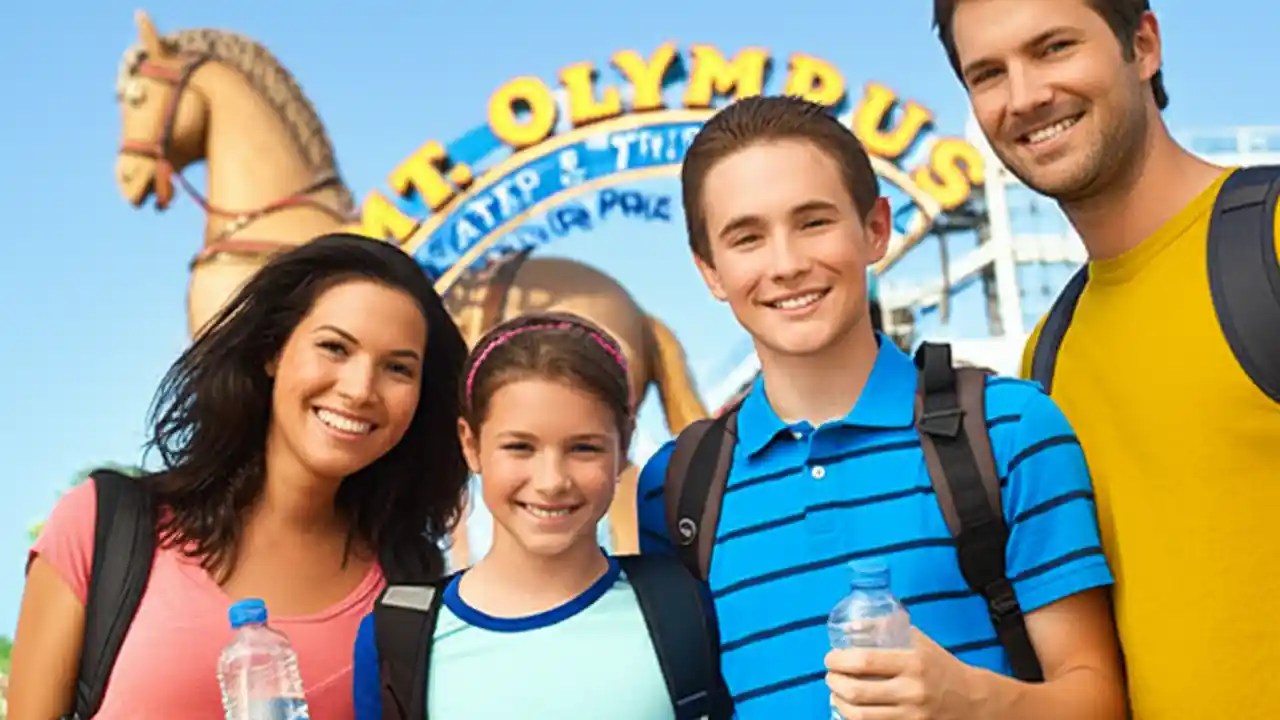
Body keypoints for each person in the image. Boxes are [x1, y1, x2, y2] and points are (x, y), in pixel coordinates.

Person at [635, 95, 1127, 719]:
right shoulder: (675, 490)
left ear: (874, 230)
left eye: (814, 222)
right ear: (709, 270)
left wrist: (969, 701)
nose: (786, 265)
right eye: (747, 237)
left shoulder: (1010, 430)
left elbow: (1100, 701)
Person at [934, 1, 1280, 717]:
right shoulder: (1049, 354)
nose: (1025, 95)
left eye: (1055, 47)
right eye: (988, 73)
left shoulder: (1270, 239)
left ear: (1143, 45)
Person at [8, 233, 471, 720]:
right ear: (273, 353)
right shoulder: (105, 527)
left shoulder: (411, 597)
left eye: (397, 368)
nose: (359, 390)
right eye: (335, 348)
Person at [352, 312, 721, 720]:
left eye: (584, 448)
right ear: (470, 444)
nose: (551, 482)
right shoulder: (397, 638)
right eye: (520, 448)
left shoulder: (684, 607)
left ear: (625, 445)